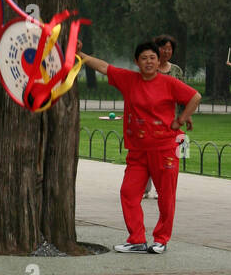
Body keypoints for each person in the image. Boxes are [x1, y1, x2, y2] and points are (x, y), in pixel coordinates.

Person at [77, 39, 200, 253]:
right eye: (144, 58)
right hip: (138, 151)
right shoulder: (129, 80)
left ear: (158, 60)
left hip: (164, 149)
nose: (149, 61)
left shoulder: (168, 83)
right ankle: (136, 239)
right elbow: (104, 67)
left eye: (152, 57)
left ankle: (161, 239)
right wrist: (81, 56)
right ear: (137, 61)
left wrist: (180, 120)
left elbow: (195, 96)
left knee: (166, 196)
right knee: (129, 192)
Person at [144, 34, 184, 199]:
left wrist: (182, 117)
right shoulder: (148, 68)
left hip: (172, 122)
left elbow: (184, 95)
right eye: (163, 48)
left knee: (171, 158)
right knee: (147, 156)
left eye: (170, 49)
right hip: (149, 121)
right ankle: (145, 188)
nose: (167, 51)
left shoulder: (176, 71)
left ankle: (166, 190)